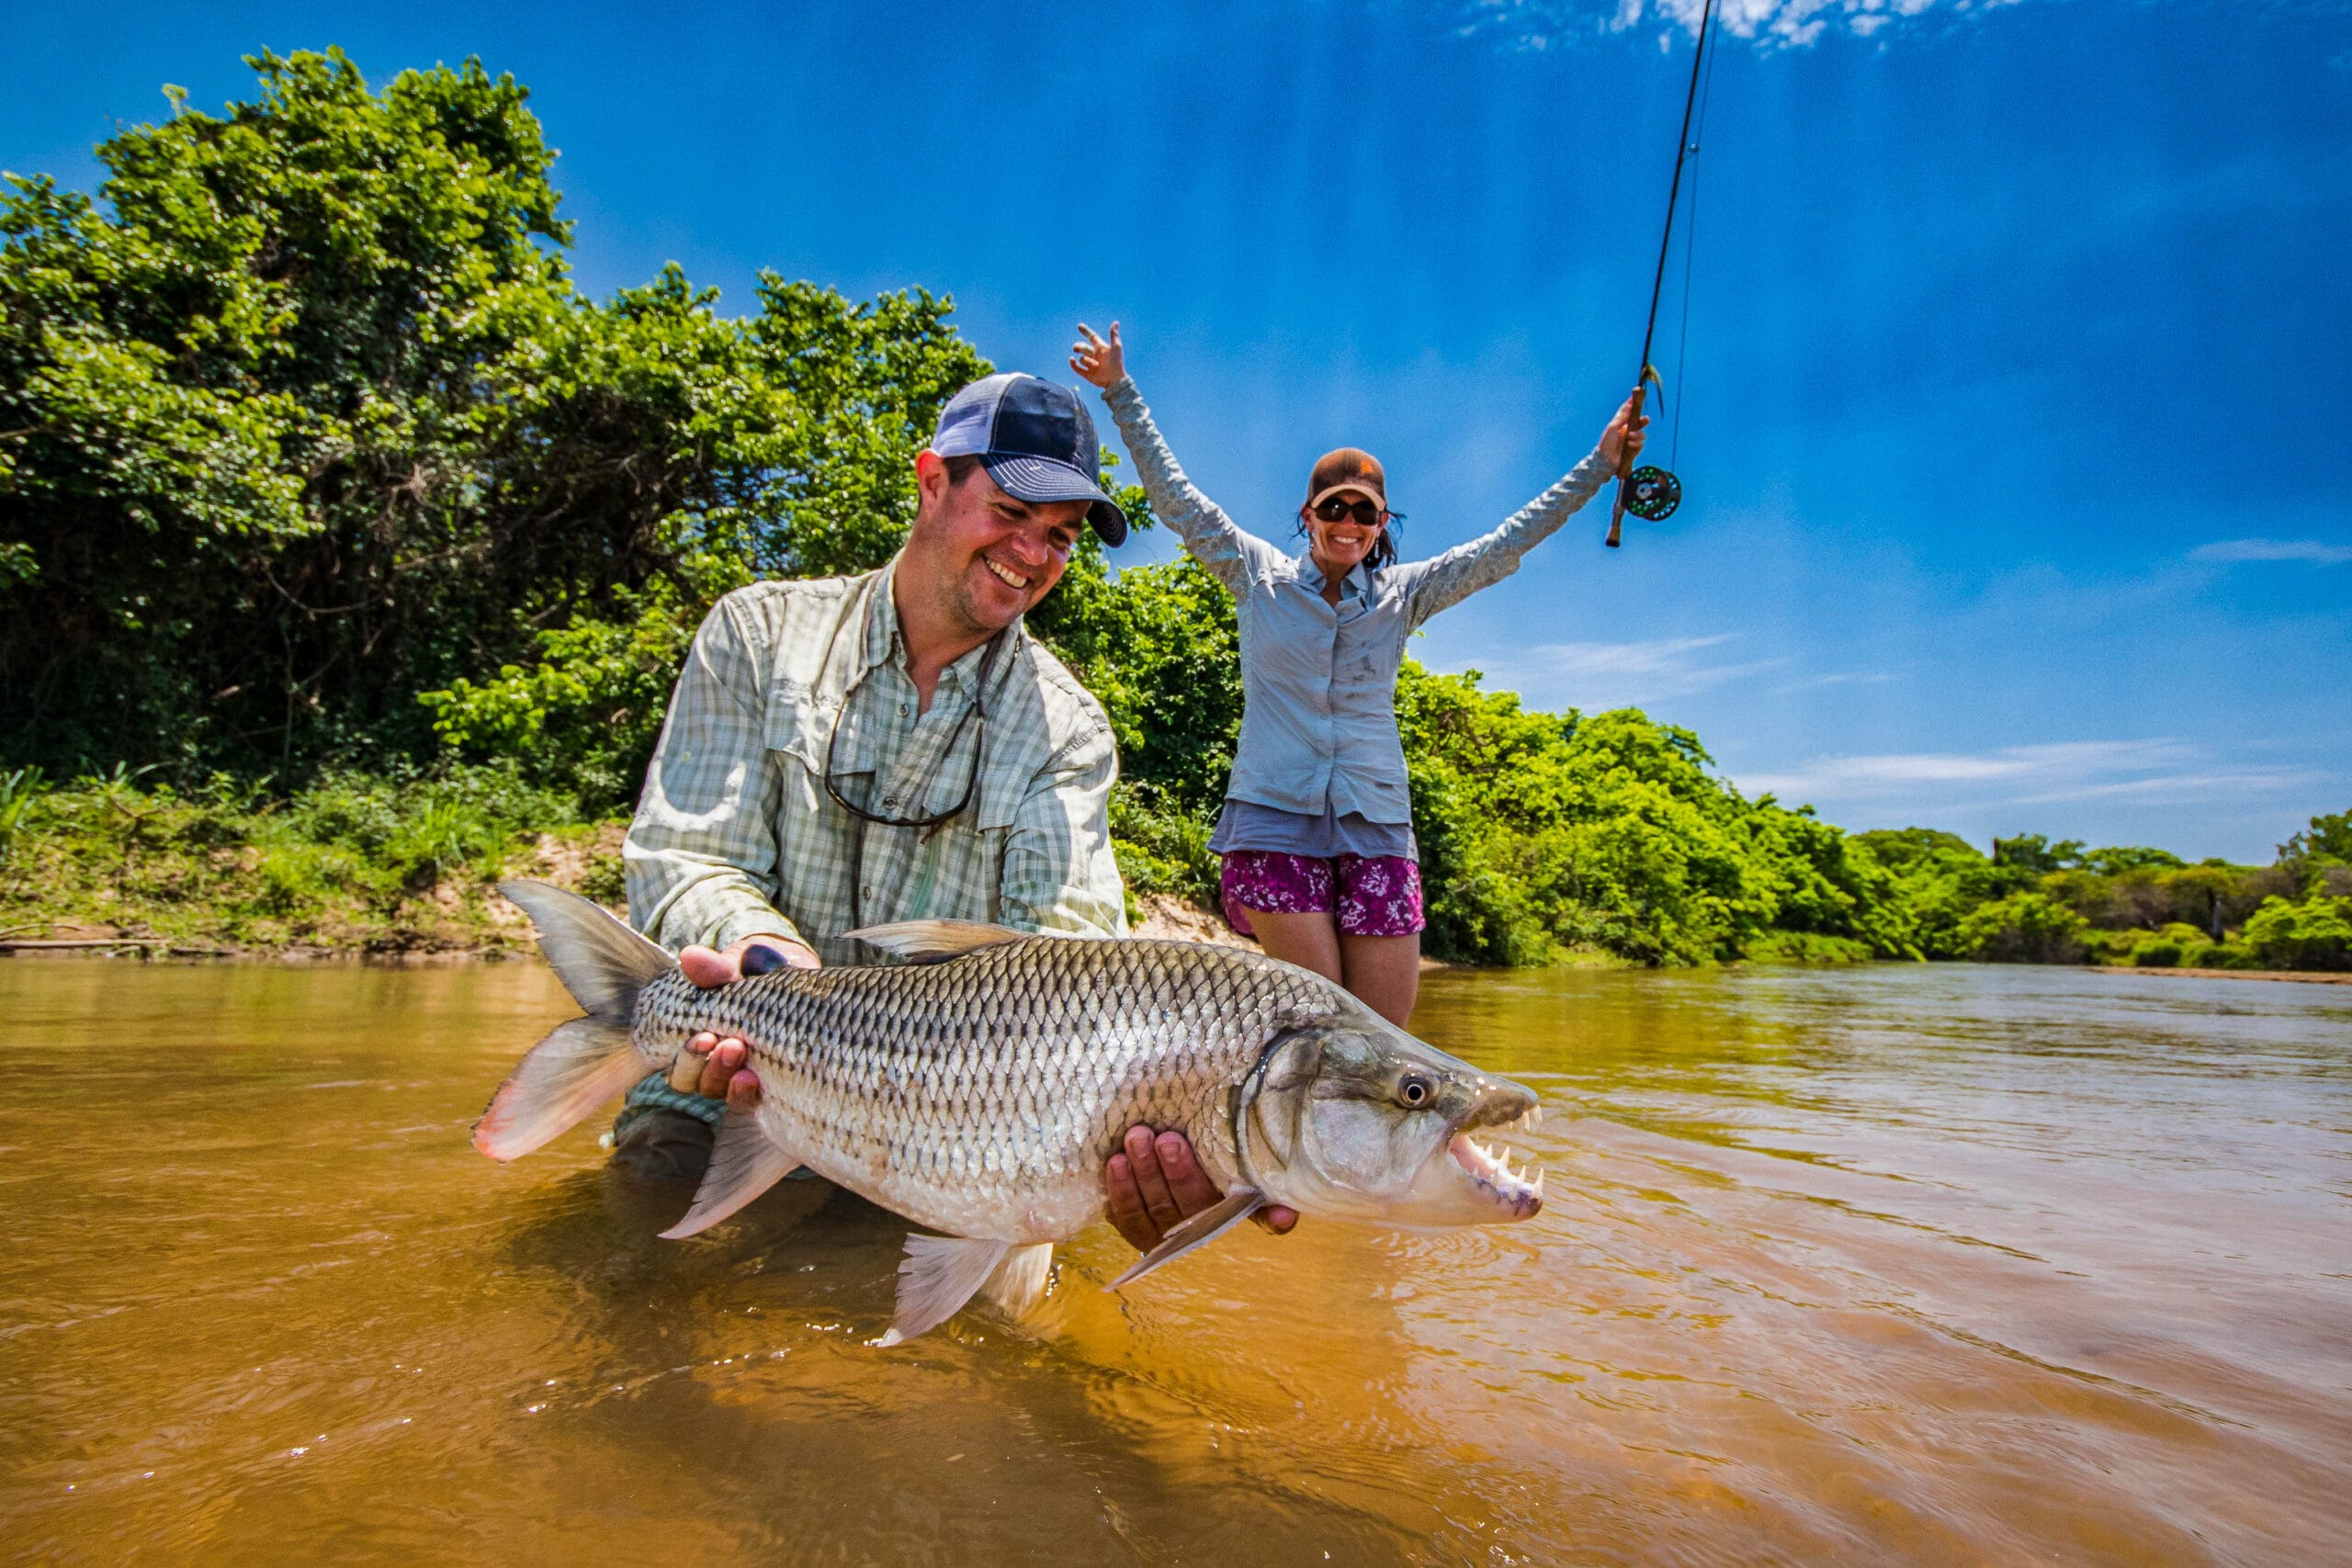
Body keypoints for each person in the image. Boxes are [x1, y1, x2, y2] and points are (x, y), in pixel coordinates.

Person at [611, 369, 1295, 1251]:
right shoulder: (754, 635)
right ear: (933, 481)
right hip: (724, 1076)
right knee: (639, 1277)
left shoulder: (1070, 731)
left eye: (1060, 534)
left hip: (963, 1139)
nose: (1033, 552)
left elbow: (1071, 961)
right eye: (1012, 513)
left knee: (979, 1362)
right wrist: (758, 955)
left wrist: (1153, 1135)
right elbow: (688, 856)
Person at [1071, 321, 1645, 1027]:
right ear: (1309, 515)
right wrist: (1121, 393)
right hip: (1275, 823)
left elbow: (1506, 544)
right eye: (1333, 507)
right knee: (1320, 1035)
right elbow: (1177, 499)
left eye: (1363, 511)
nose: (1348, 521)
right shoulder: (1257, 577)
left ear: (1380, 523)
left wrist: (1600, 465)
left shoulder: (1406, 595)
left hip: (1376, 824)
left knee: (1383, 1046)